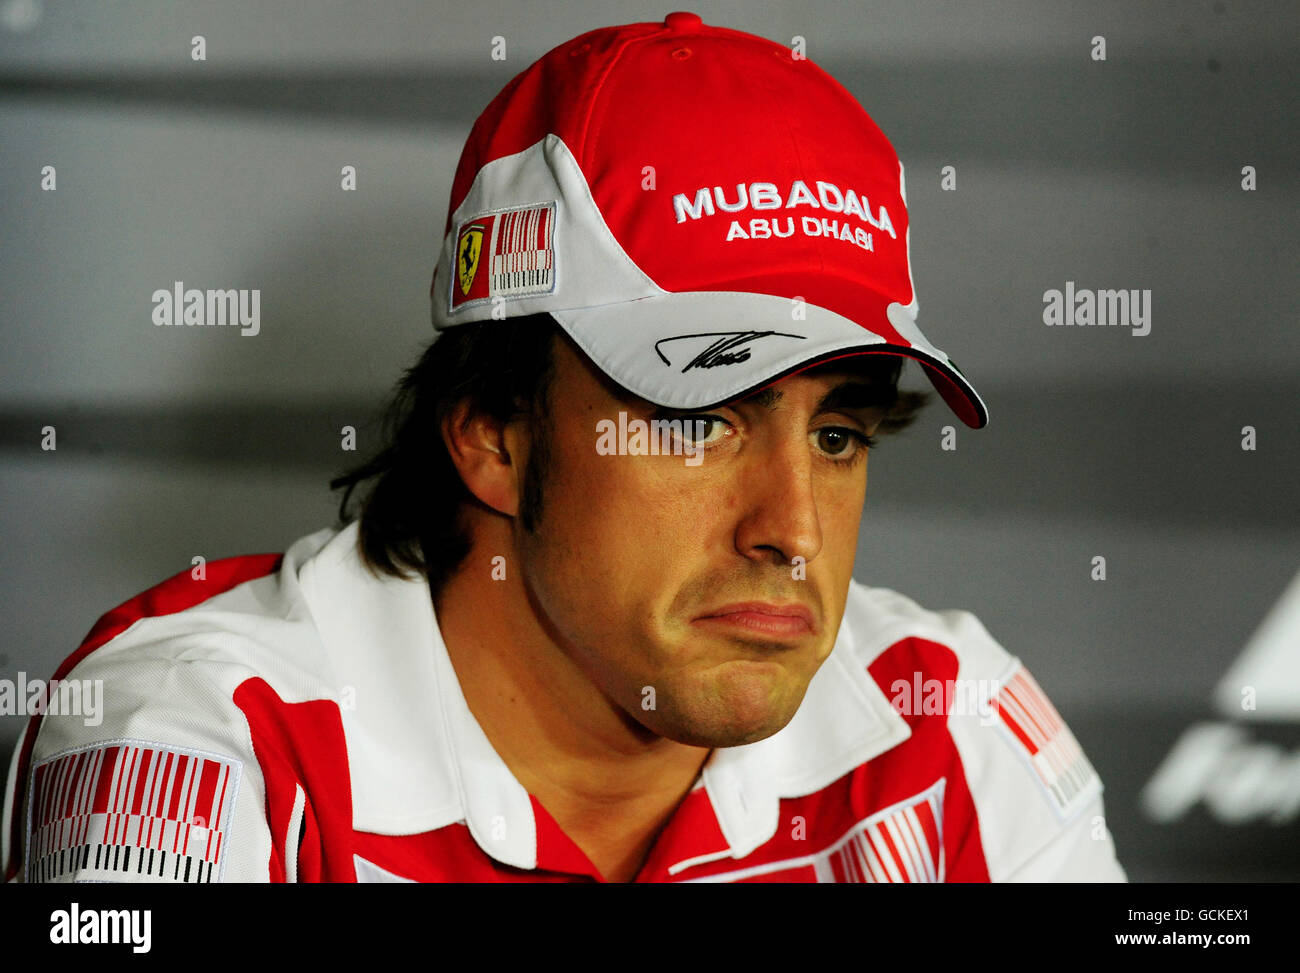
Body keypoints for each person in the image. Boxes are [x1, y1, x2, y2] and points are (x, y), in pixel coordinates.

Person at [2, 12, 1124, 883]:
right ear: (493, 432)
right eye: (697, 417)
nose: (792, 528)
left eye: (837, 432)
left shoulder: (948, 722)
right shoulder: (203, 741)